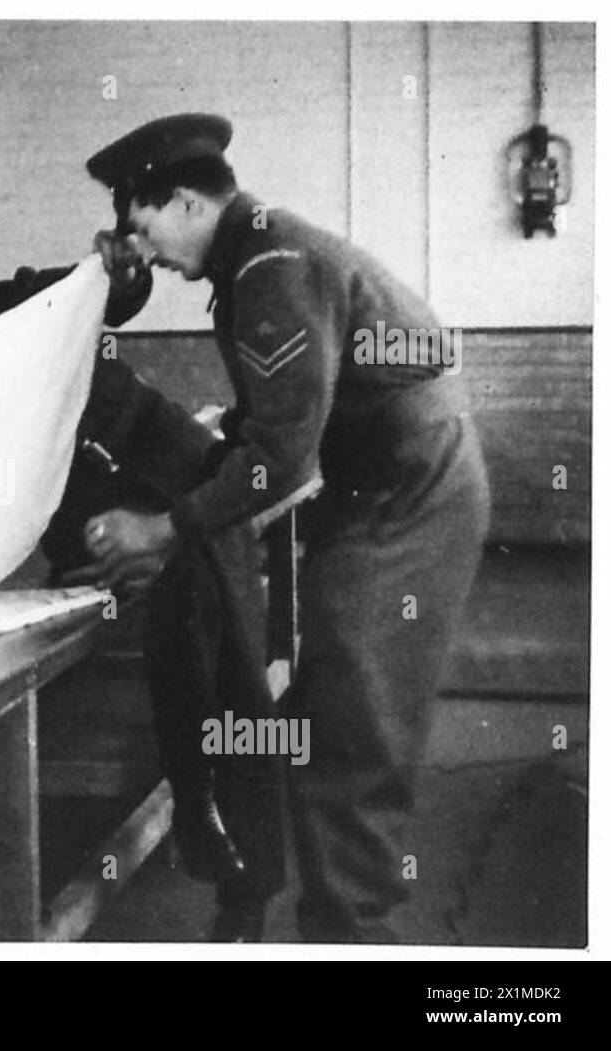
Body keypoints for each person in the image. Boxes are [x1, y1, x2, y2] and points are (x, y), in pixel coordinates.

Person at [83, 113, 491, 942]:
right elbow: (274, 422)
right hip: (379, 485)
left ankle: (353, 936)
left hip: (409, 493)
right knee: (327, 716)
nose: (147, 249)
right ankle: (341, 924)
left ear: (189, 202)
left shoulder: (270, 266)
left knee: (350, 738)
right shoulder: (253, 259)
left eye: (145, 225)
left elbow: (280, 458)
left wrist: (163, 530)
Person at [0, 210, 288, 940]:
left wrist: (122, 270)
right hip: (97, 536)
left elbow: (109, 297)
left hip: (179, 486)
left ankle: (244, 882)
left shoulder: (36, 300)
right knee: (176, 647)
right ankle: (198, 812)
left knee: (224, 669)